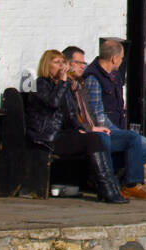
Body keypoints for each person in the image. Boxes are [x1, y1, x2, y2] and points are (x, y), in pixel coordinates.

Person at [24, 50, 128, 203]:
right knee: (93, 141)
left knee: (95, 138)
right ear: (47, 65)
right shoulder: (39, 84)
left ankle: (109, 189)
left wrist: (89, 128)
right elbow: (53, 103)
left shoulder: (63, 85)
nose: (61, 66)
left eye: (62, 62)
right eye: (56, 63)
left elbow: (72, 114)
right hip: (46, 137)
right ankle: (107, 190)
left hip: (63, 134)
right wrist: (63, 81)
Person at [63, 45, 146, 199]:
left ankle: (130, 184)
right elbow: (70, 118)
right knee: (103, 138)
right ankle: (107, 185)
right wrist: (91, 128)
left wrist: (95, 127)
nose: (83, 66)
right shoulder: (67, 87)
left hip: (91, 129)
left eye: (84, 63)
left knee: (133, 138)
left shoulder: (79, 86)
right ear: (68, 64)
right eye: (79, 63)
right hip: (78, 133)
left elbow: (87, 114)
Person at [81, 39, 146, 196]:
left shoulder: (114, 75)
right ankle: (132, 184)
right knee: (133, 140)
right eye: (122, 57)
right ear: (114, 58)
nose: (121, 60)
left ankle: (115, 176)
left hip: (117, 127)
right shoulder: (93, 78)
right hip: (103, 131)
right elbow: (97, 115)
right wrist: (119, 132)